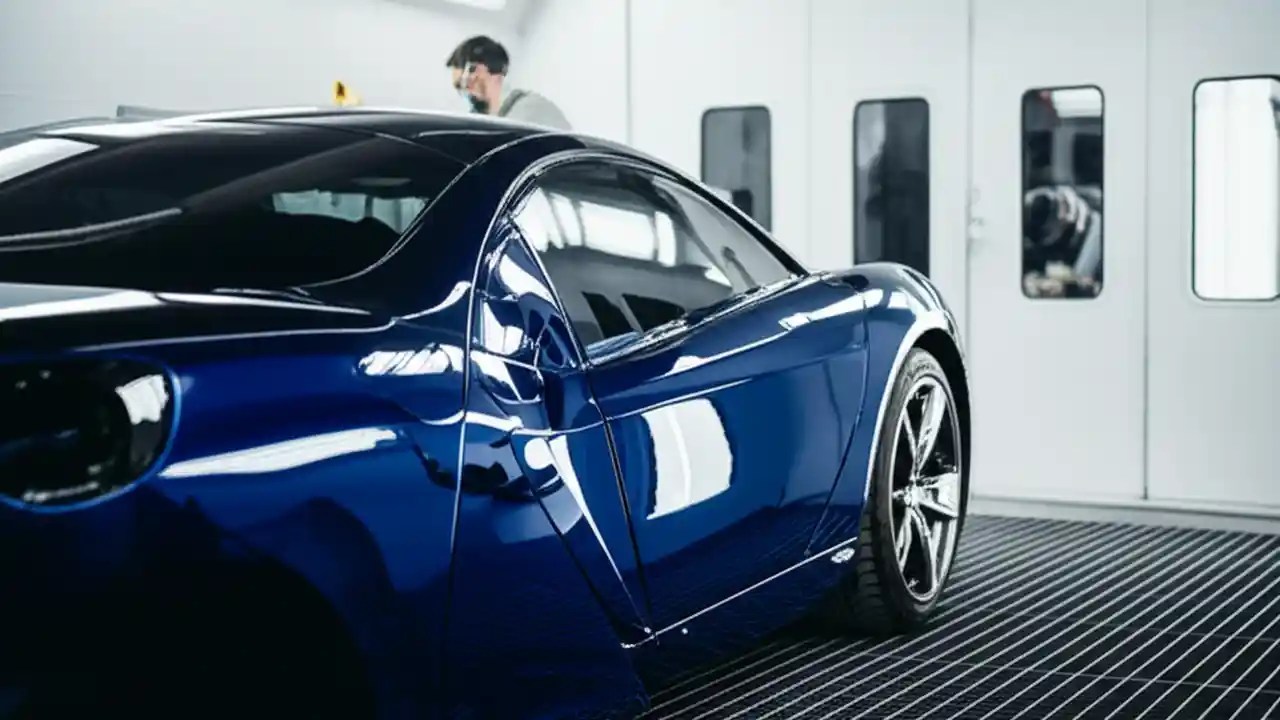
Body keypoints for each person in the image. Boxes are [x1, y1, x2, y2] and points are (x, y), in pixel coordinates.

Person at [445, 35, 571, 131]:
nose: (464, 91)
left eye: (461, 84)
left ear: (476, 70)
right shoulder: (494, 119)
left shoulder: (530, 110)